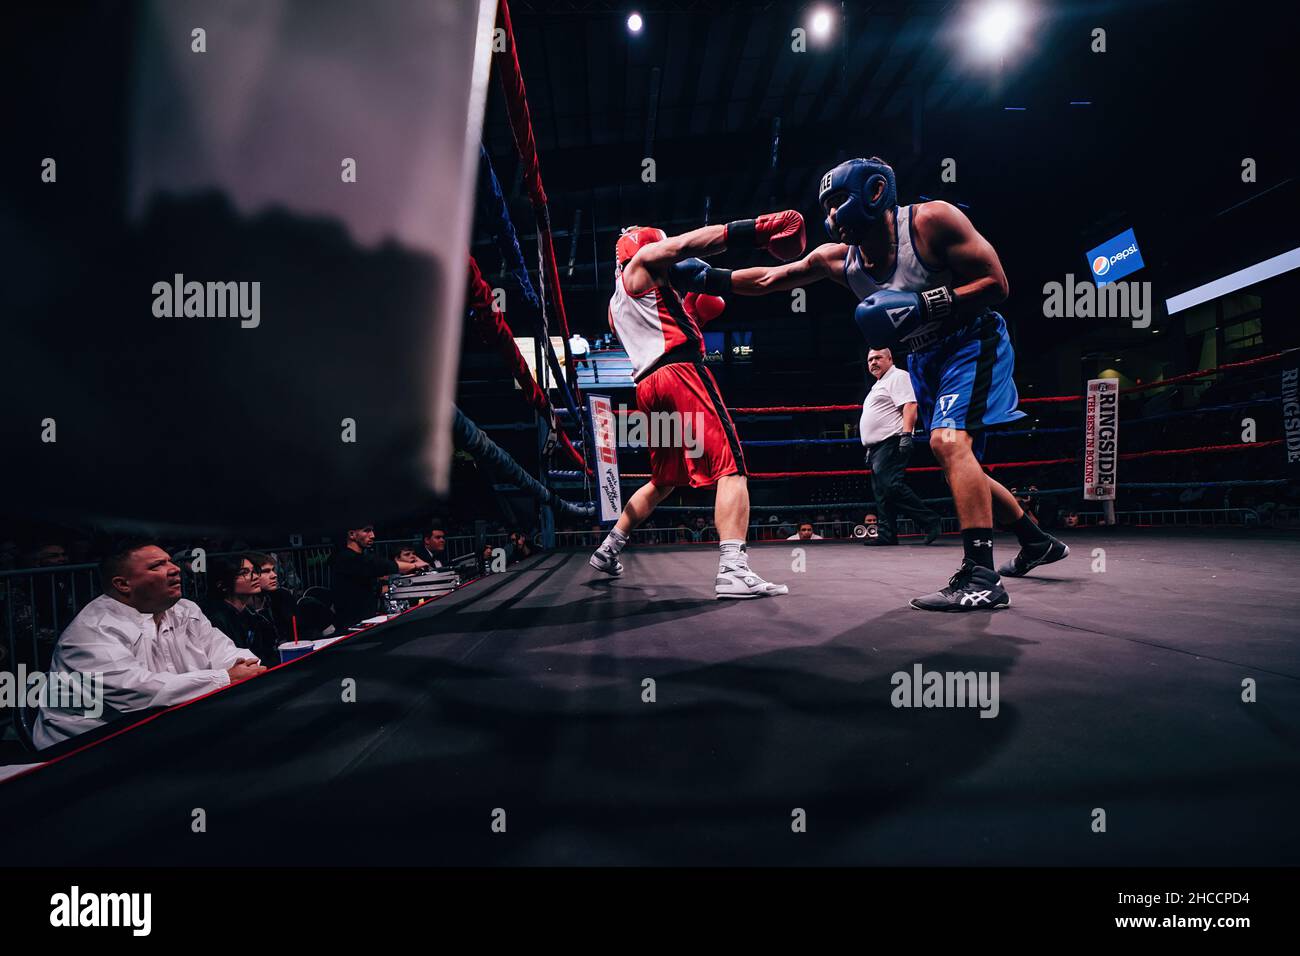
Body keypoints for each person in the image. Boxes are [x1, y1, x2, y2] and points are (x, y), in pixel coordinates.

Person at [729, 156, 1068, 610]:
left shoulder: (931, 222)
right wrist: (701, 276)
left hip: (970, 339)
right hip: (924, 359)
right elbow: (774, 277)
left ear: (872, 193)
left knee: (949, 444)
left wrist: (924, 304)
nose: (831, 218)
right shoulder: (840, 260)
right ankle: (1036, 541)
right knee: (960, 462)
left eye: (837, 203)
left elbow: (997, 284)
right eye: (824, 208)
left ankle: (982, 576)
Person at [588, 211, 805, 598]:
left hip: (647, 389)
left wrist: (688, 306)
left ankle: (609, 548)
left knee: (664, 479)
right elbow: (688, 244)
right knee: (730, 465)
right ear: (647, 248)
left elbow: (661, 320)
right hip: (679, 375)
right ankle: (733, 568)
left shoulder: (615, 304)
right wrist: (754, 230)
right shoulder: (643, 263)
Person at [34, 540, 265, 749]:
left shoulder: (185, 609)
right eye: (156, 566)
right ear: (123, 584)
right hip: (84, 748)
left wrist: (243, 666)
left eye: (170, 561)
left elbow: (220, 649)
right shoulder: (93, 630)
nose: (175, 568)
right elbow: (140, 692)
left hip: (159, 729)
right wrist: (225, 678)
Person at [859, 347, 942, 546]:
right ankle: (887, 534)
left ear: (890, 358)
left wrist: (906, 435)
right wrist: (870, 446)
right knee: (881, 491)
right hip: (879, 446)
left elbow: (910, 405)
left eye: (878, 358)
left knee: (890, 486)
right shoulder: (880, 384)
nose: (873, 362)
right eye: (870, 359)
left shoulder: (898, 376)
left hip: (893, 440)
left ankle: (930, 520)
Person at [329, 525, 429, 629]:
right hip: (352, 624)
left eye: (372, 531)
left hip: (367, 619)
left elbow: (369, 588)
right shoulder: (346, 558)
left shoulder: (359, 558)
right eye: (367, 531)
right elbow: (380, 565)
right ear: (352, 534)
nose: (372, 535)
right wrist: (414, 565)